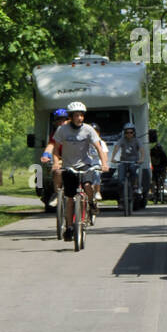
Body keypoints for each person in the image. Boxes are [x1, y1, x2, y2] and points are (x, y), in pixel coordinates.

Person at [52, 101, 108, 239]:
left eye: (81, 115)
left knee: (88, 185)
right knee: (70, 198)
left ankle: (91, 202)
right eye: (76, 115)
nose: (80, 118)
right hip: (69, 166)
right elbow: (55, 148)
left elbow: (99, 148)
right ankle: (70, 227)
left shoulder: (88, 129)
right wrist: (55, 163)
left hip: (85, 164)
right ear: (70, 117)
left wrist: (104, 164)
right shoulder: (62, 130)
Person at [40, 108, 68, 206]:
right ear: (55, 123)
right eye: (59, 120)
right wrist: (45, 155)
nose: (61, 123)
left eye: (64, 120)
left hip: (75, 159)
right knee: (57, 172)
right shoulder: (56, 133)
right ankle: (57, 194)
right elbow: (51, 145)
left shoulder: (73, 131)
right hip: (61, 159)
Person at [111, 123, 145, 203]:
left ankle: (136, 187)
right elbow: (116, 147)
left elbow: (142, 150)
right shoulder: (122, 140)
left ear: (134, 133)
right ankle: (121, 198)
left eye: (131, 132)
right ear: (124, 133)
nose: (129, 134)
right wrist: (113, 158)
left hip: (134, 161)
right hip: (123, 161)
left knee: (134, 170)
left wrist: (141, 158)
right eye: (127, 132)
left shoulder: (137, 140)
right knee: (120, 180)